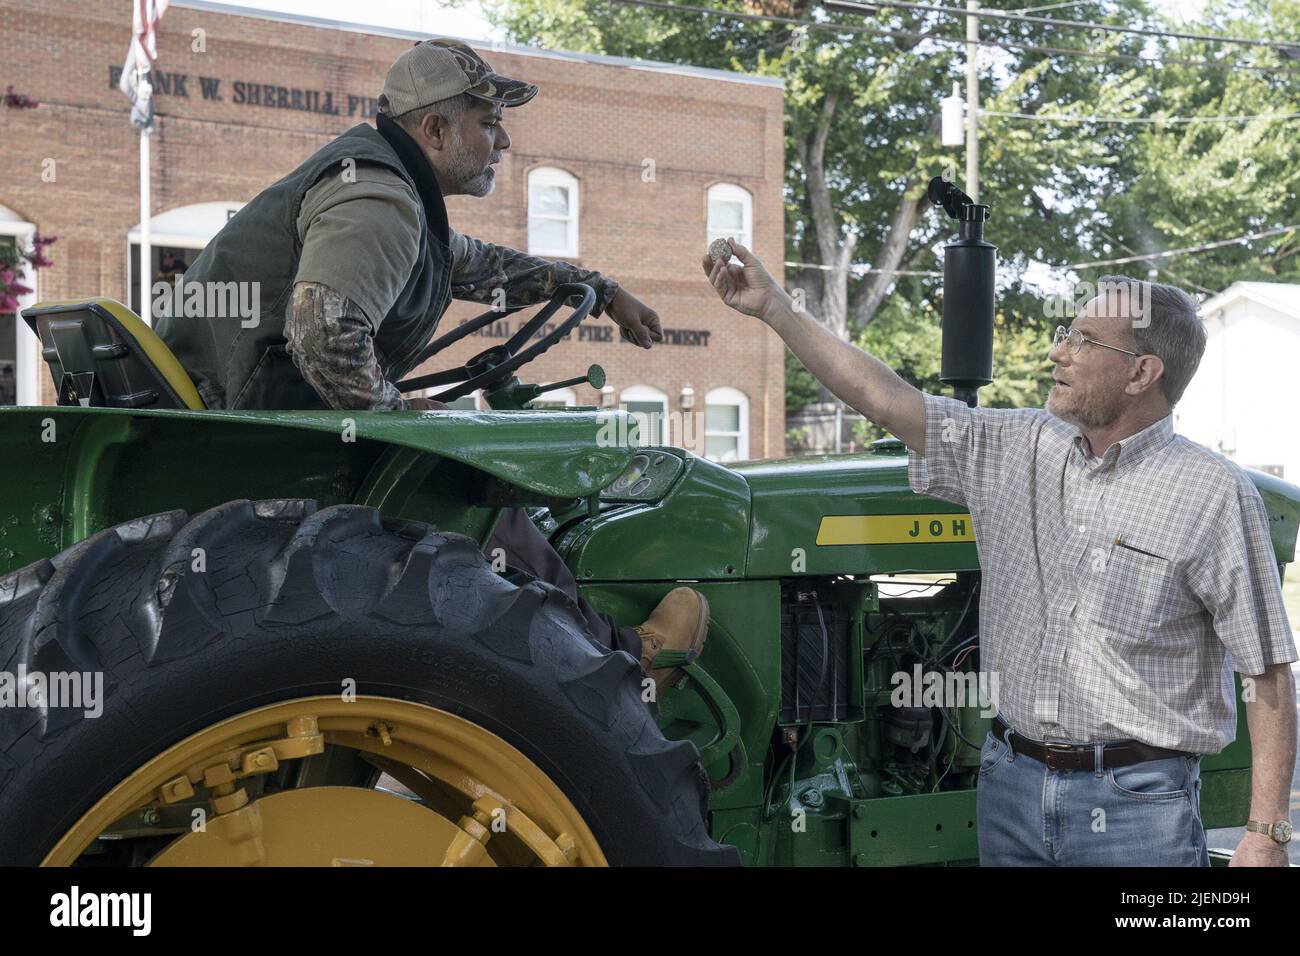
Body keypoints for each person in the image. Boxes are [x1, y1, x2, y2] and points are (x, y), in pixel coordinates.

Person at [703, 237, 1297, 867]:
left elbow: (1266, 673)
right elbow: (888, 400)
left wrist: (1265, 831)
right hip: (1011, 785)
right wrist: (776, 311)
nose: (1057, 351)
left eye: (1085, 340)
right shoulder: (1015, 448)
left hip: (1138, 806)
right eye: (1067, 332)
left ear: (1142, 373)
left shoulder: (1212, 494)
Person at [156, 38, 708, 691]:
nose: (501, 142)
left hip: (234, 426)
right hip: (256, 443)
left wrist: (598, 287)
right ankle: (615, 666)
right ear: (437, 128)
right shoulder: (380, 198)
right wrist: (398, 419)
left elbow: (479, 265)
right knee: (475, 489)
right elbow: (321, 331)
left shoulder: (391, 189)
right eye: (490, 122)